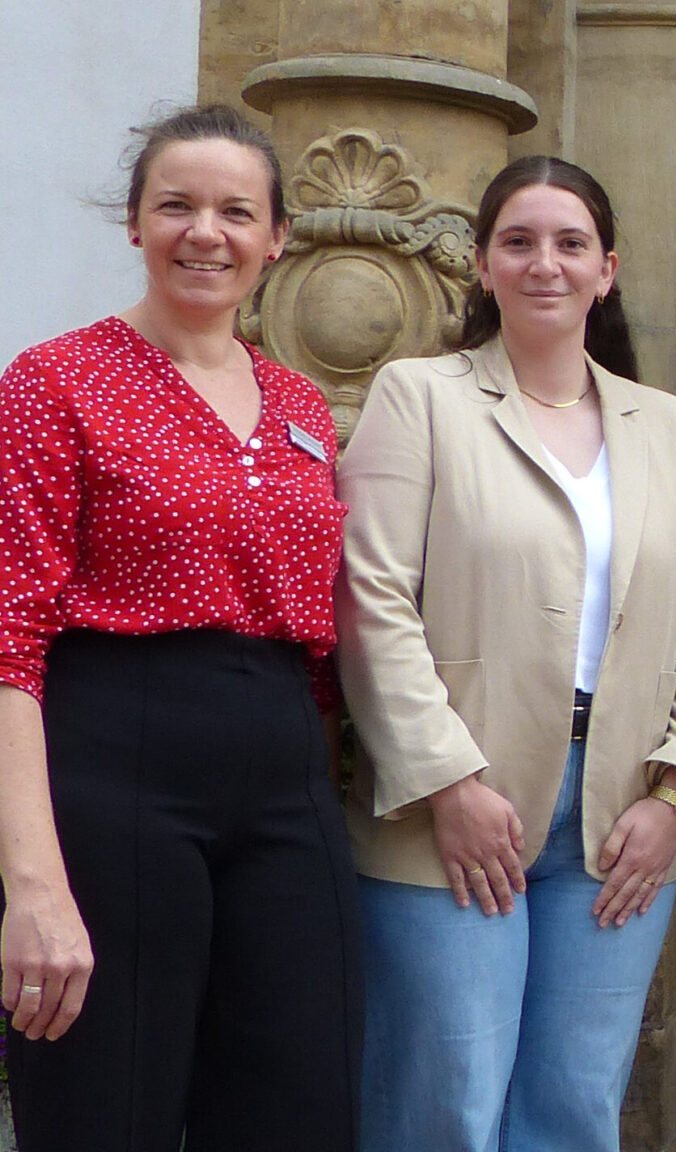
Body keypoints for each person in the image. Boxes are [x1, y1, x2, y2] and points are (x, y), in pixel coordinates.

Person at [335, 155, 676, 1152]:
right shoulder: (419, 396)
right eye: (518, 242)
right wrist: (445, 779)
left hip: (619, 816)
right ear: (481, 264)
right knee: (448, 1097)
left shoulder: (671, 430)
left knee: (573, 1105)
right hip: (454, 808)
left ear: (609, 269)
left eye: (570, 244)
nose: (544, 264)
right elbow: (370, 596)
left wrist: (675, 792)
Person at [0, 104, 359, 1152]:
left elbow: (328, 633)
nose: (206, 232)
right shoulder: (54, 382)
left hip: (287, 781)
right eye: (177, 206)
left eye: (236, 210)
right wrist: (32, 884)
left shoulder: (300, 401)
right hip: (119, 768)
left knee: (304, 1106)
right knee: (108, 1111)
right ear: (135, 223)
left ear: (277, 236)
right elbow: (8, 639)